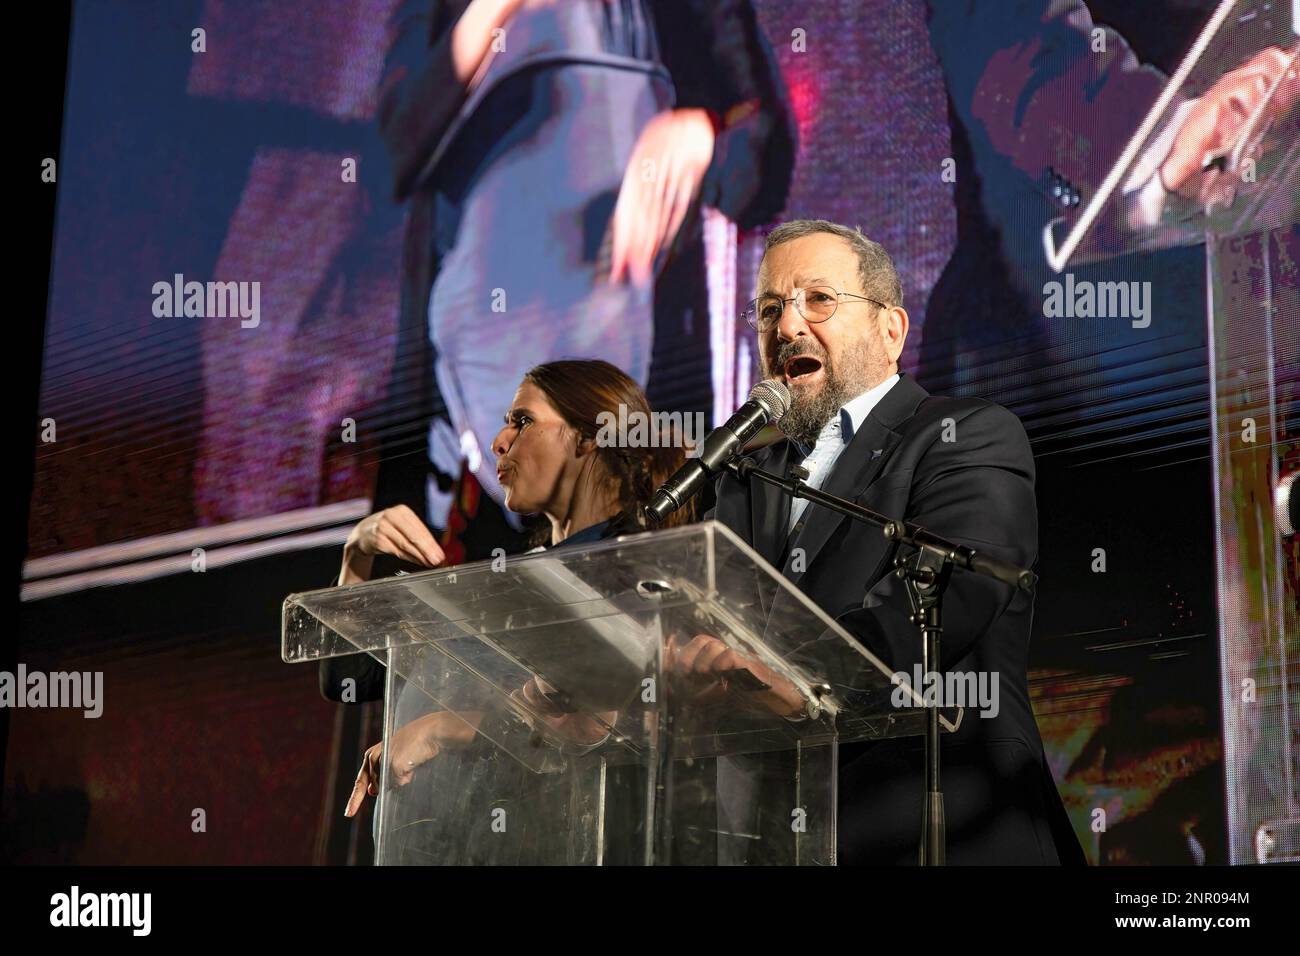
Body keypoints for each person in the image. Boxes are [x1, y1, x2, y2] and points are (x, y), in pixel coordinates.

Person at [701, 218, 1086, 865]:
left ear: (891, 330)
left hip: (945, 835)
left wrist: (802, 680)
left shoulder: (963, 435)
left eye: (818, 300)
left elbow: (946, 593)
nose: (787, 327)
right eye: (769, 309)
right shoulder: (742, 481)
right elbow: (712, 637)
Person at [371, 0, 795, 536]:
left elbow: (764, 155)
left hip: (632, 362)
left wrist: (703, 132)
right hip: (474, 367)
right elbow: (391, 160)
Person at [317, 359, 697, 820]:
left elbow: (599, 721)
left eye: (522, 421)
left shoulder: (642, 571)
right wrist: (357, 555)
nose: (499, 441)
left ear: (590, 435)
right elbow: (349, 682)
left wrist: (442, 729)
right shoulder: (508, 581)